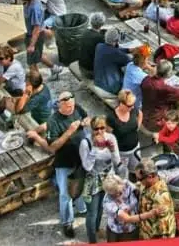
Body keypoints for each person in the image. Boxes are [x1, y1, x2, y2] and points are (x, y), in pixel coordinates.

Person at [27, 90, 88, 237]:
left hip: (81, 158)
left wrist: (86, 121)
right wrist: (69, 132)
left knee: (81, 185)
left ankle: (82, 209)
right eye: (68, 107)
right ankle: (67, 223)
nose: (71, 108)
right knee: (65, 194)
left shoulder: (77, 108)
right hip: (64, 162)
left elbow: (86, 117)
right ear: (60, 105)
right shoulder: (53, 121)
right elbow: (53, 147)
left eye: (72, 105)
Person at [80, 116, 122, 243]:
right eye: (96, 129)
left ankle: (97, 230)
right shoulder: (85, 143)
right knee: (92, 212)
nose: (99, 131)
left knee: (101, 208)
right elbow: (87, 167)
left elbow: (117, 161)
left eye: (102, 128)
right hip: (92, 180)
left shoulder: (111, 138)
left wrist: (112, 150)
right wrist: (94, 148)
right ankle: (92, 241)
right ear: (91, 129)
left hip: (108, 179)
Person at [134, 159, 176, 239]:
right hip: (145, 232)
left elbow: (164, 231)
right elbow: (139, 186)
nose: (138, 181)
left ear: (150, 177)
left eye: (139, 179)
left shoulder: (161, 197)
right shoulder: (148, 184)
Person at [141, 60, 179, 133]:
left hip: (144, 116)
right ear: (168, 74)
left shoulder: (146, 80)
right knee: (178, 103)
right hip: (156, 123)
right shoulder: (164, 88)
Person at [109, 90, 143, 176]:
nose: (132, 107)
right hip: (122, 152)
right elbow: (109, 135)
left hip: (135, 148)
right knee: (122, 173)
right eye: (129, 105)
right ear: (121, 103)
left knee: (136, 168)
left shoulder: (132, 109)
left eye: (133, 104)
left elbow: (140, 114)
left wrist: (137, 127)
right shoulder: (112, 118)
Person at [101, 173, 140, 241]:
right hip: (118, 231)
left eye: (119, 192)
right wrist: (149, 214)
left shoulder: (126, 184)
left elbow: (137, 190)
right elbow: (126, 217)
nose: (118, 194)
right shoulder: (107, 201)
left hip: (133, 227)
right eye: (114, 193)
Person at [93, 29, 131, 95]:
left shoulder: (99, 46)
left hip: (97, 82)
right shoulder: (116, 53)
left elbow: (113, 50)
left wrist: (128, 50)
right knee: (131, 78)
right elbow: (130, 61)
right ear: (116, 41)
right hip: (109, 88)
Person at [77, 13, 108, 80]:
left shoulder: (85, 32)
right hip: (91, 71)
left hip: (81, 66)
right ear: (102, 24)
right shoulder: (100, 38)